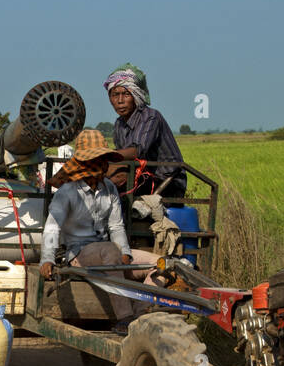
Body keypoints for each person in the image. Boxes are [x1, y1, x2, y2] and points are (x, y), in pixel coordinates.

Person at [39, 129, 155, 332]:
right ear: (83, 163)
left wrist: (125, 253)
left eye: (102, 159)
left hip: (110, 253)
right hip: (79, 254)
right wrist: (47, 259)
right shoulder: (68, 191)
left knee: (163, 264)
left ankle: (140, 313)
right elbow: (52, 227)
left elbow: (116, 226)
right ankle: (124, 318)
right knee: (110, 249)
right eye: (95, 160)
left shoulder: (109, 188)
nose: (101, 165)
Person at [104, 64, 186, 200]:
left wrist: (104, 155)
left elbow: (138, 151)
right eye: (115, 95)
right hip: (139, 176)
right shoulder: (119, 124)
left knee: (113, 180)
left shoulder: (150, 116)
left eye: (125, 94)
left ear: (136, 95)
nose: (120, 101)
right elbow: (122, 158)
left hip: (167, 183)